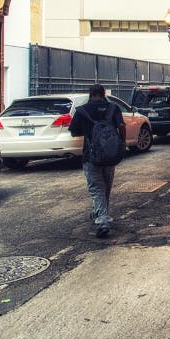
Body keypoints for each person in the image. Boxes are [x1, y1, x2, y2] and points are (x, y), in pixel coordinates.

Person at [69, 84, 125, 238]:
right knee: (105, 187)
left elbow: (74, 132)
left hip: (90, 156)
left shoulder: (82, 111)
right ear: (104, 93)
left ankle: (102, 221)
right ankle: (98, 213)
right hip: (110, 155)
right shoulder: (113, 108)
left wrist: (89, 130)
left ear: (90, 94)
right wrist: (122, 143)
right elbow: (121, 126)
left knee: (96, 188)